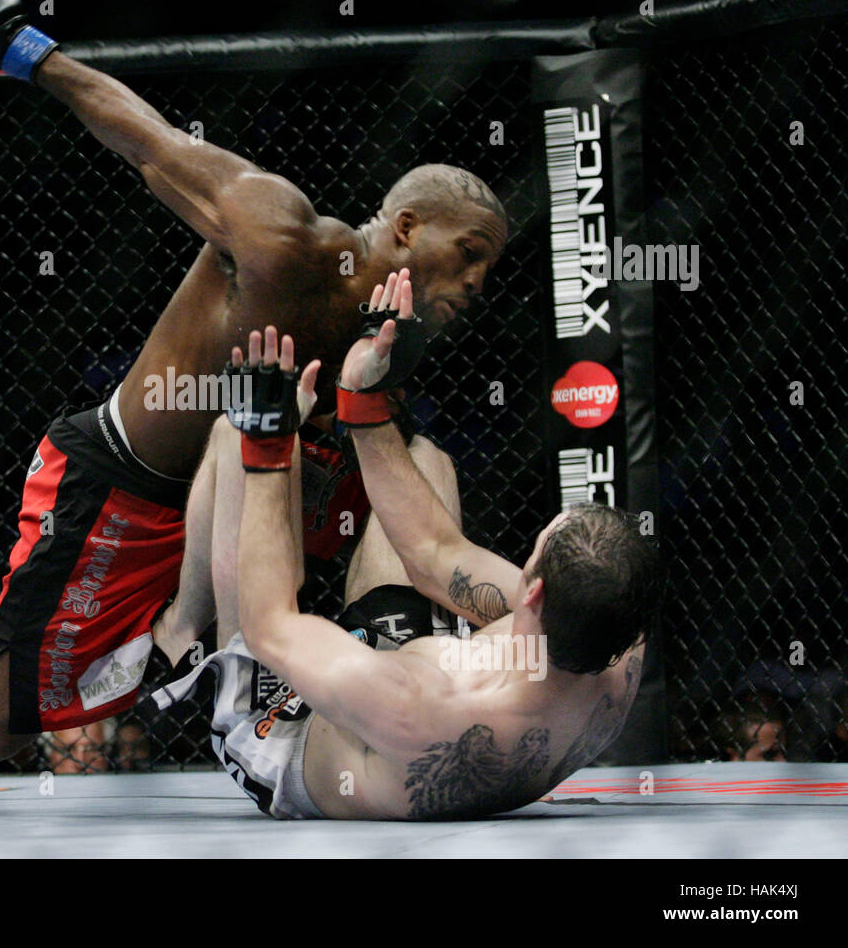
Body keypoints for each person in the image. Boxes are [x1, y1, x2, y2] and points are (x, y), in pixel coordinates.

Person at [0, 0, 506, 817]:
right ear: (407, 226)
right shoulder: (283, 237)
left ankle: (376, 670)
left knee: (417, 459)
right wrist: (27, 51)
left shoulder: (384, 337)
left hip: (235, 493)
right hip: (120, 491)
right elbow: (151, 145)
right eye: (467, 255)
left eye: (486, 271)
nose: (473, 285)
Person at [151, 290, 658, 820]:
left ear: (533, 591)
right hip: (416, 672)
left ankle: (179, 632)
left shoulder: (423, 704)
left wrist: (270, 446)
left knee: (237, 434)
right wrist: (364, 399)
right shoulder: (618, 640)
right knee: (425, 460)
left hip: (286, 728)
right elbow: (436, 553)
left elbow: (270, 625)